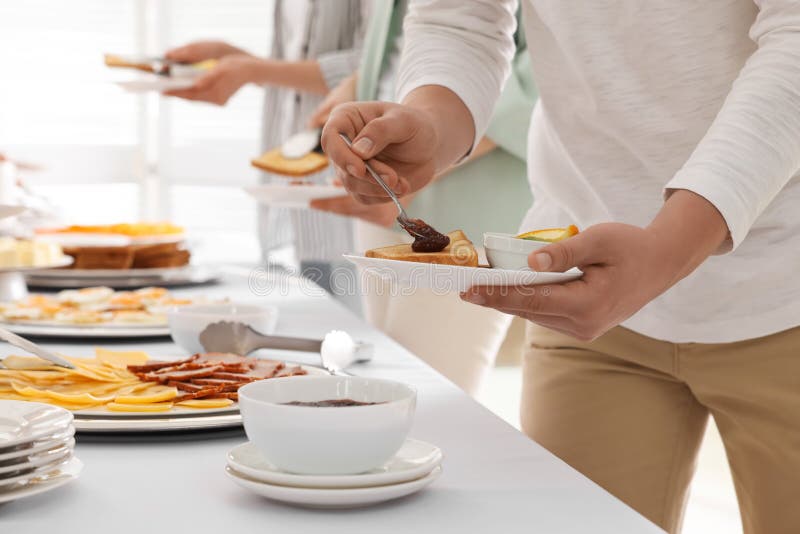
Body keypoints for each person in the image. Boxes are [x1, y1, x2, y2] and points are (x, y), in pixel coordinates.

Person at [321, 1, 800, 533]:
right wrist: (433, 120)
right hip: (582, 283)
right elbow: (460, 18)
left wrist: (669, 245)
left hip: (786, 290)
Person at [307, 0, 536, 396]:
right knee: (387, 378)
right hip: (391, 189)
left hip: (469, 208)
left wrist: (423, 165)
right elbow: (419, 35)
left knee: (427, 396)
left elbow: (534, 86)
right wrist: (364, 85)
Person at [164, 1, 367, 313]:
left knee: (348, 334)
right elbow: (292, 71)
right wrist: (233, 60)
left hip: (346, 200)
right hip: (289, 198)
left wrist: (252, 69)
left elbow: (374, 69)